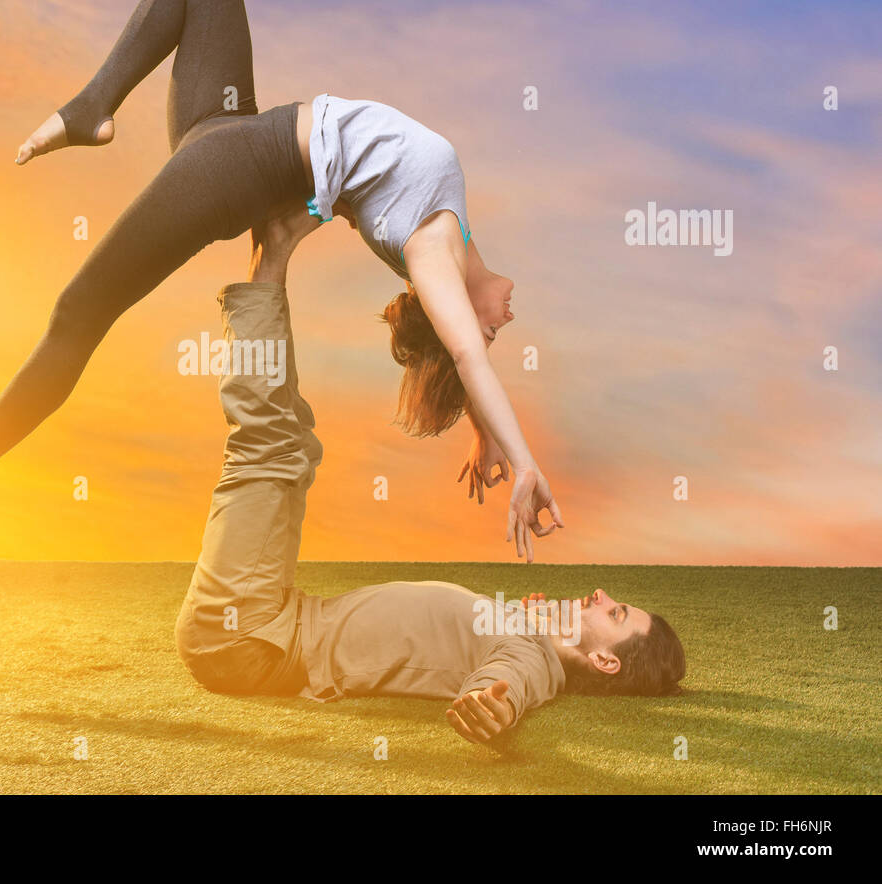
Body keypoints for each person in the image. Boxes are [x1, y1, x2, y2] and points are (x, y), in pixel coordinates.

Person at [0, 0, 559, 561]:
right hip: (227, 123)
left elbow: (466, 351)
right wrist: (483, 433)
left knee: (79, 310)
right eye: (495, 332)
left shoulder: (433, 247)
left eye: (489, 332)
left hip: (235, 171)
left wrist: (525, 460)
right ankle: (93, 106)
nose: (504, 326)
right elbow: (464, 354)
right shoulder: (454, 228)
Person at [176, 226, 685, 743]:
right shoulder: (523, 629)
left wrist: (491, 708)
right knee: (295, 445)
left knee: (268, 448)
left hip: (250, 638)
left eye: (616, 613)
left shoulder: (528, 657)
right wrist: (483, 431)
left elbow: (508, 683)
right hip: (279, 619)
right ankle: (271, 259)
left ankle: (270, 257)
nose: (601, 595)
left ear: (603, 660)